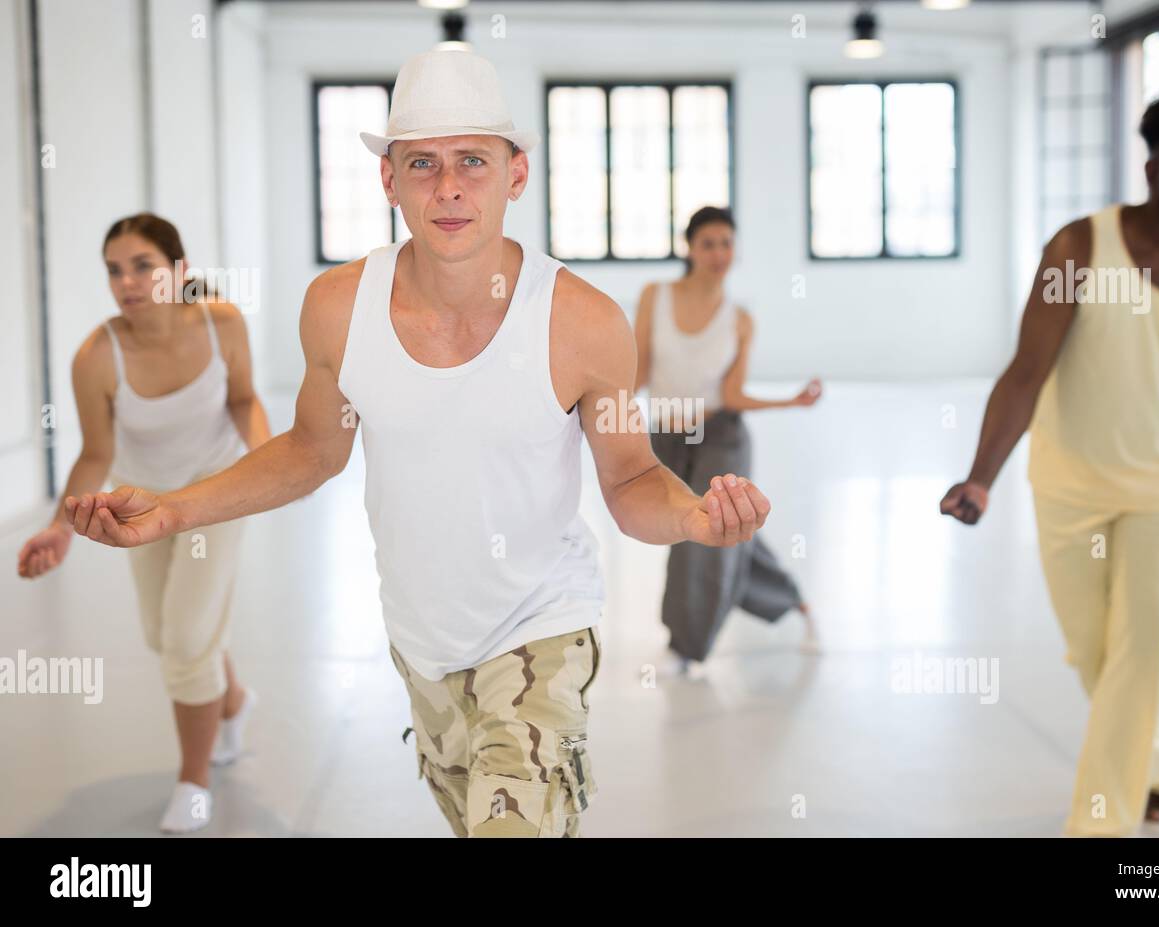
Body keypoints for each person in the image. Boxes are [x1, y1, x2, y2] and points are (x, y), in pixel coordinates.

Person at [66, 49, 773, 838]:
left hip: (542, 629)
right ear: (388, 180)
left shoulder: (582, 322)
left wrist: (694, 520)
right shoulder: (338, 306)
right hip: (422, 643)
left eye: (473, 159)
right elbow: (311, 449)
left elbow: (634, 476)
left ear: (516, 173)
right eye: (422, 163)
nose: (448, 188)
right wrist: (172, 509)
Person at [939, 87, 1159, 836]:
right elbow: (1026, 372)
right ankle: (1157, 760)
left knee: (1144, 651)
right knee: (1094, 651)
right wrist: (981, 475)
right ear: (1152, 168)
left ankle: (1099, 823)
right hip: (1068, 484)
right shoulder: (1079, 248)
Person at [18, 212, 271, 833]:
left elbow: (242, 398)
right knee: (167, 635)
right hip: (141, 508)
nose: (126, 281)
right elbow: (96, 453)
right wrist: (59, 528)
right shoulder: (95, 356)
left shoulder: (223, 325)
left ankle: (194, 779)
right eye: (114, 270)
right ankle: (232, 701)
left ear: (179, 272)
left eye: (143, 265)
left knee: (186, 642)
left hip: (216, 493)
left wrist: (267, 466)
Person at [634, 205, 821, 676]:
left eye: (726, 243)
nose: (718, 253)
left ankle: (687, 647)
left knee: (708, 537)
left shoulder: (740, 319)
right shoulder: (654, 297)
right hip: (667, 434)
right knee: (719, 533)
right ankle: (794, 601)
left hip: (721, 434)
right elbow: (637, 372)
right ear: (690, 248)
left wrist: (790, 403)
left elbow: (733, 394)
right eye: (708, 243)